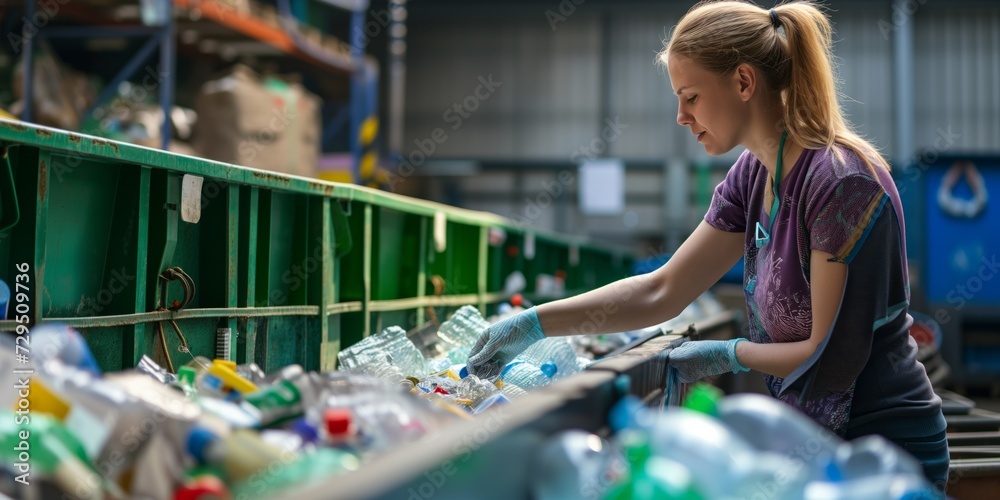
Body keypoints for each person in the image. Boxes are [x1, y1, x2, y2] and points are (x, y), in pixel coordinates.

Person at [467, 0, 949, 493]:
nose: (681, 116)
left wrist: (727, 354)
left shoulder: (841, 184)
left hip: (881, 456)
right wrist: (534, 323)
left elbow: (821, 354)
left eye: (691, 97)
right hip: (814, 445)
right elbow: (663, 289)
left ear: (743, 81)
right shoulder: (754, 174)